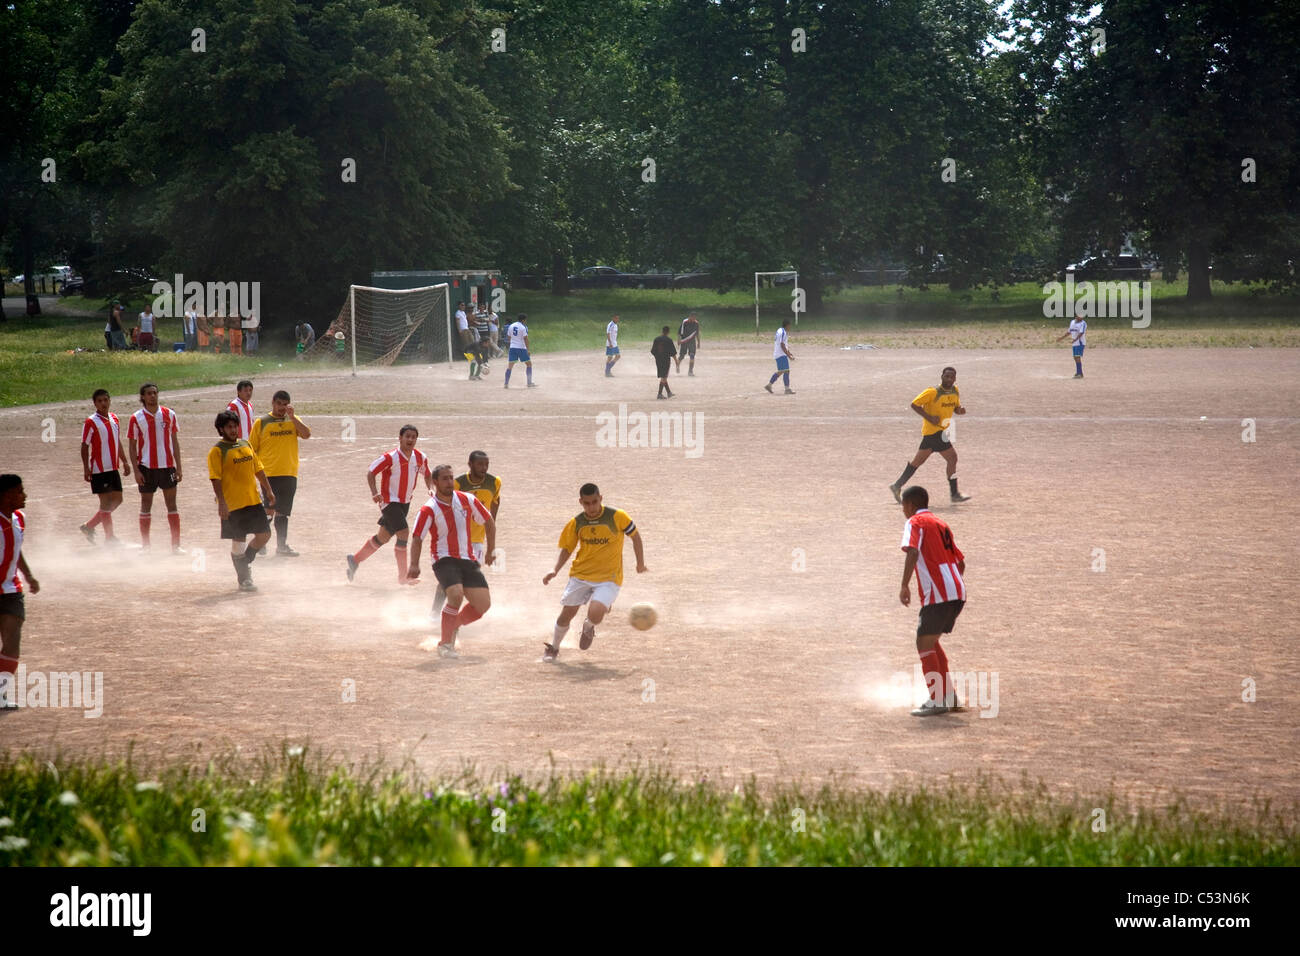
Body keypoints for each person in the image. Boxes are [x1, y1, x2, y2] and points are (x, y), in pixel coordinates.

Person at [540, 482, 646, 662]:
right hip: (581, 575)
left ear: (601, 499)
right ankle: (554, 647)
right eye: (587, 503)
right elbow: (567, 549)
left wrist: (640, 563)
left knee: (595, 613)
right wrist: (555, 569)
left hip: (609, 578)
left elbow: (635, 536)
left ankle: (588, 626)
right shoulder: (577, 523)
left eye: (594, 502)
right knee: (567, 614)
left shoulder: (617, 516)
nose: (591, 507)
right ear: (580, 502)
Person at [407, 465, 497, 659]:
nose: (449, 482)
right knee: (455, 595)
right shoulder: (428, 509)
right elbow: (417, 538)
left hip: (467, 559)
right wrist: (414, 564)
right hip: (444, 559)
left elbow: (488, 521)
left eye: (451, 478)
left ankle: (454, 624)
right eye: (445, 479)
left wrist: (490, 550)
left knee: (483, 605)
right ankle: (445, 644)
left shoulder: (467, 499)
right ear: (435, 482)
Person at [898, 485, 966, 716]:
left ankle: (937, 700)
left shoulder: (914, 523)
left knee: (924, 643)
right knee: (931, 640)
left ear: (910, 505)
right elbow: (961, 562)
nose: (903, 511)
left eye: (903, 506)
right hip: (957, 591)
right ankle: (949, 696)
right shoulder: (941, 523)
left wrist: (904, 585)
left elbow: (913, 552)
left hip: (938, 594)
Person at [346, 425, 432, 584]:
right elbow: (371, 472)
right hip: (389, 502)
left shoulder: (420, 457)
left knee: (383, 537)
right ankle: (403, 577)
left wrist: (430, 489)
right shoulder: (390, 457)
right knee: (404, 533)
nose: (410, 440)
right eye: (407, 436)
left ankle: (355, 560)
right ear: (400, 438)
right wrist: (374, 492)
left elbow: (427, 474)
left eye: (414, 437)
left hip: (405, 503)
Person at [208, 410, 275, 592]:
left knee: (265, 535)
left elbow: (258, 469)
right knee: (239, 540)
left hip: (253, 500)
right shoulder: (217, 451)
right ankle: (244, 578)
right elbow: (215, 479)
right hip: (233, 504)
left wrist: (268, 490)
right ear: (221, 429)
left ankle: (244, 562)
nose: (233, 429)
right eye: (229, 427)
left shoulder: (245, 444)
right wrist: (222, 503)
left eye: (235, 426)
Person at [432, 451, 502, 615]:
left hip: (477, 539)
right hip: (456, 539)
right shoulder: (458, 483)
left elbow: (496, 501)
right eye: (480, 464)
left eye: (486, 464)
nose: (484, 468)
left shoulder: (495, 482)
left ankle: (454, 615)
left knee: (468, 579)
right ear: (470, 465)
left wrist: (491, 522)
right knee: (449, 579)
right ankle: (436, 612)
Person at [888, 366, 970, 503]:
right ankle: (954, 494)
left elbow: (955, 407)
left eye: (952, 377)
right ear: (941, 377)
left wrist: (960, 410)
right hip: (933, 433)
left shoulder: (955, 391)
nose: (949, 379)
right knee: (952, 458)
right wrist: (929, 417)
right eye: (947, 376)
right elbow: (914, 404)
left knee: (918, 462)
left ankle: (897, 485)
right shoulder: (932, 392)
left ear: (955, 378)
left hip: (941, 432)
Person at [248, 390, 310, 556]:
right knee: (269, 509)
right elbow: (251, 449)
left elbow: (306, 434)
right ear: (273, 403)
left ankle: (281, 547)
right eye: (279, 404)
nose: (282, 407)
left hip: (289, 472)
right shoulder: (262, 422)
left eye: (285, 404)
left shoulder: (293, 421)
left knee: (283, 511)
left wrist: (293, 417)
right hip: (268, 473)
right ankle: (261, 542)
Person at [127, 383, 184, 553]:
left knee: (172, 505)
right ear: (143, 397)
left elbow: (174, 441)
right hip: (146, 468)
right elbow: (132, 445)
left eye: (155, 393)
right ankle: (146, 546)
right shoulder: (136, 418)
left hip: (167, 467)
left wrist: (179, 467)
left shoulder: (169, 414)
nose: (152, 396)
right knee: (146, 504)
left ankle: (176, 546)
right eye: (149, 394)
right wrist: (136, 470)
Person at [0, 475, 39, 710]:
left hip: (11, 590)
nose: (24, 495)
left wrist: (29, 575)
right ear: (5, 495)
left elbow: (16, 547)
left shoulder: (19, 519)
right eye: (19, 491)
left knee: (12, 643)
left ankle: (1, 694)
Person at [79, 389, 131, 546]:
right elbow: (84, 445)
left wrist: (125, 461)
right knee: (105, 503)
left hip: (113, 468)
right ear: (95, 403)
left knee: (118, 499)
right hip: (99, 470)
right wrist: (86, 468)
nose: (103, 403)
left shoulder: (115, 418)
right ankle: (110, 538)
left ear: (109, 401)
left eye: (105, 400)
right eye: (99, 401)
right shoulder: (91, 422)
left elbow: (117, 441)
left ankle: (89, 526)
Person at [503, 313, 536, 388]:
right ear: (523, 320)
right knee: (529, 364)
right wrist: (528, 350)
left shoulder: (511, 326)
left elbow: (508, 337)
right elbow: (526, 339)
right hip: (521, 348)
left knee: (510, 366)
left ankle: (506, 383)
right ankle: (529, 383)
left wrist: (513, 342)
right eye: (525, 320)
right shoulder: (523, 327)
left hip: (512, 348)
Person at [764, 318, 795, 394]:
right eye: (789, 326)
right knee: (786, 370)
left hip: (779, 353)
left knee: (781, 371)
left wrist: (789, 352)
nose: (790, 327)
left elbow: (782, 344)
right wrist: (788, 355)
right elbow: (782, 344)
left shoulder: (779, 330)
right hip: (781, 354)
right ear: (787, 325)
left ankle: (769, 385)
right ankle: (787, 389)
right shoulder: (783, 332)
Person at [455, 301, 481, 380]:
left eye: (464, 305)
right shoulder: (458, 313)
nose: (463, 306)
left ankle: (476, 374)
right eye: (462, 305)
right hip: (463, 330)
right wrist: (460, 330)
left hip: (467, 329)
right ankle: (471, 357)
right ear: (459, 306)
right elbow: (458, 322)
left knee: (473, 343)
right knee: (468, 346)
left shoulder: (463, 313)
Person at [1057, 312, 1087, 378]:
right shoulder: (1072, 322)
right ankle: (1079, 373)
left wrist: (1075, 339)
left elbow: (1081, 333)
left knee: (1077, 356)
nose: (1081, 317)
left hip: (1080, 342)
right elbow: (1069, 332)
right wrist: (1061, 338)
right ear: (1076, 316)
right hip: (1075, 343)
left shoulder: (1083, 323)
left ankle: (1079, 373)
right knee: (1075, 357)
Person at [652, 325, 676, 399]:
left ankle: (669, 393)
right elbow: (673, 353)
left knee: (663, 376)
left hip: (658, 360)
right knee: (664, 377)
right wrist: (676, 361)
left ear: (662, 331)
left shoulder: (656, 339)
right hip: (666, 360)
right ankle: (659, 394)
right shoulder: (669, 340)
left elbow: (653, 351)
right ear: (668, 332)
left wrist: (657, 357)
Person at [474, 304, 492, 374]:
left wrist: (484, 320)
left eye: (483, 307)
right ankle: (480, 359)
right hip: (480, 331)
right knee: (481, 346)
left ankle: (486, 360)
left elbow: (488, 320)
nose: (482, 308)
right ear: (479, 308)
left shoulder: (485, 313)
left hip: (485, 330)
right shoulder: (477, 313)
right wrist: (480, 320)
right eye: (481, 307)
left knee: (486, 346)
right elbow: (475, 320)